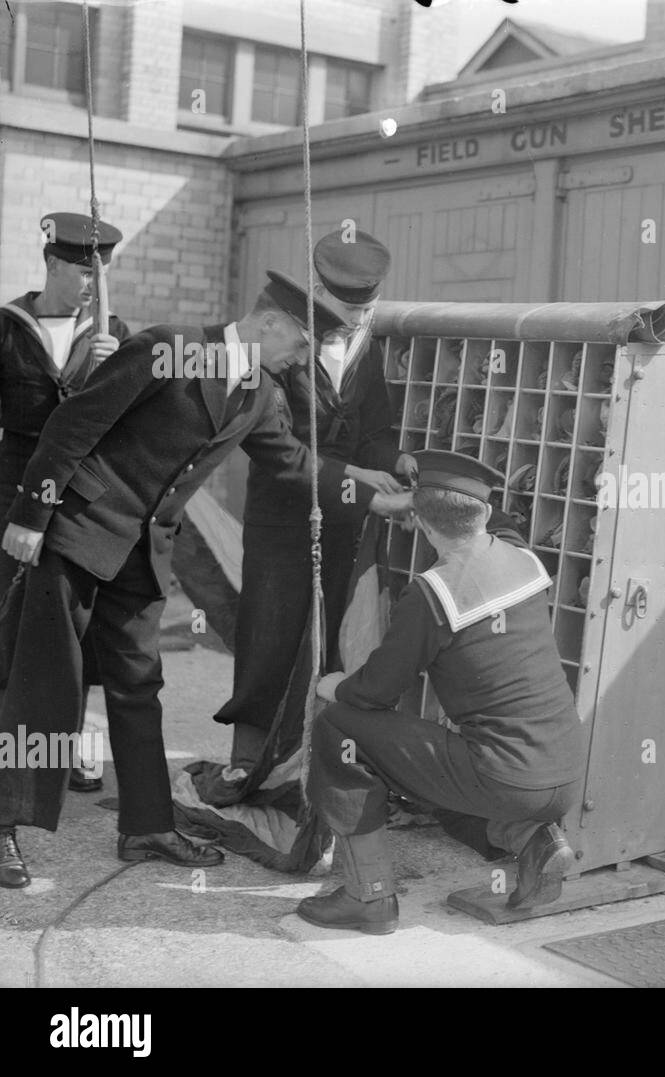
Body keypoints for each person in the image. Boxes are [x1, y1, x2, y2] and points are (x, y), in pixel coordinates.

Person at [0, 272, 411, 889]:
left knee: (140, 686)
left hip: (141, 554)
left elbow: (292, 459)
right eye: (300, 347)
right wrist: (31, 514)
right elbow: (74, 425)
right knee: (47, 685)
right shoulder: (169, 347)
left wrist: (363, 489)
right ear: (271, 323)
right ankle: (4, 822)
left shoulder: (257, 391)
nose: (301, 362)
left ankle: (147, 826)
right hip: (80, 532)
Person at [298, 451, 585, 934]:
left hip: (505, 777)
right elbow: (499, 521)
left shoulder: (433, 594)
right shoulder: (522, 556)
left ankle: (367, 898)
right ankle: (536, 839)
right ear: (487, 514)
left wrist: (333, 685)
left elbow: (373, 693)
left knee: (338, 728)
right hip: (565, 771)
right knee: (444, 786)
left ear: (423, 526)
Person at [215, 229, 405, 773]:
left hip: (346, 517)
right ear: (318, 293)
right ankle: (247, 758)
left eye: (365, 310)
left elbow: (374, 429)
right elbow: (281, 450)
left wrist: (396, 461)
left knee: (333, 638)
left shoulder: (367, 347)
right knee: (269, 634)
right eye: (346, 308)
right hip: (282, 515)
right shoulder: (284, 347)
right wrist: (362, 483)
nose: (356, 320)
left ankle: (310, 757)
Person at [0, 213, 130, 794]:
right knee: (11, 627)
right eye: (83, 270)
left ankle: (69, 741)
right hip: (12, 496)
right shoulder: (8, 327)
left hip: (80, 503)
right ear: (52, 263)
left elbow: (127, 428)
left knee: (74, 630)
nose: (92, 285)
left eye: (101, 274)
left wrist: (113, 371)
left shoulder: (113, 333)